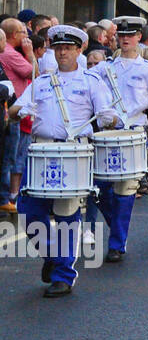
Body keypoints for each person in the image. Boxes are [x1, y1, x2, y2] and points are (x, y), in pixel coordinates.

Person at [8, 24, 119, 297]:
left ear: (79, 50)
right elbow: (11, 112)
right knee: (28, 210)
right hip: (42, 151)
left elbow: (110, 117)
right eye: (58, 48)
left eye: (68, 48)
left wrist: (108, 118)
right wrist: (20, 110)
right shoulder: (42, 82)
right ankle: (53, 257)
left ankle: (64, 276)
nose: (62, 53)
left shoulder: (91, 82)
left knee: (68, 214)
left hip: (74, 152)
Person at [89, 16, 148, 262]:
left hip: (134, 130)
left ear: (139, 37)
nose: (126, 40)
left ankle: (117, 243)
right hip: (107, 132)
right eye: (122, 36)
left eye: (131, 35)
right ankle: (117, 227)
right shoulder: (105, 67)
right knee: (101, 189)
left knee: (126, 188)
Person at [0, 17, 36, 213]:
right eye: (23, 32)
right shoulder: (10, 53)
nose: (27, 36)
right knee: (12, 156)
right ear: (14, 35)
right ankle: (7, 196)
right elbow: (33, 73)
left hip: (13, 111)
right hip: (13, 112)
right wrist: (30, 54)